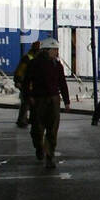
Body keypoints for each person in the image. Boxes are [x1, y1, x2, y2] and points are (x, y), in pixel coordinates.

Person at [26, 37, 71, 169]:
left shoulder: (57, 65)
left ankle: (50, 156)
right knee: (37, 129)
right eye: (55, 49)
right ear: (46, 50)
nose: (57, 52)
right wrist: (29, 97)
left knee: (52, 129)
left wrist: (66, 101)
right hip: (39, 99)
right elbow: (26, 82)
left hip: (53, 99)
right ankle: (39, 147)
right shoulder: (34, 64)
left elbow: (62, 83)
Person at [12, 41, 41, 127]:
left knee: (27, 102)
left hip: (30, 83)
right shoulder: (28, 58)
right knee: (26, 102)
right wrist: (18, 81)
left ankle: (25, 119)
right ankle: (22, 120)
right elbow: (20, 71)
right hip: (26, 83)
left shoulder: (30, 57)